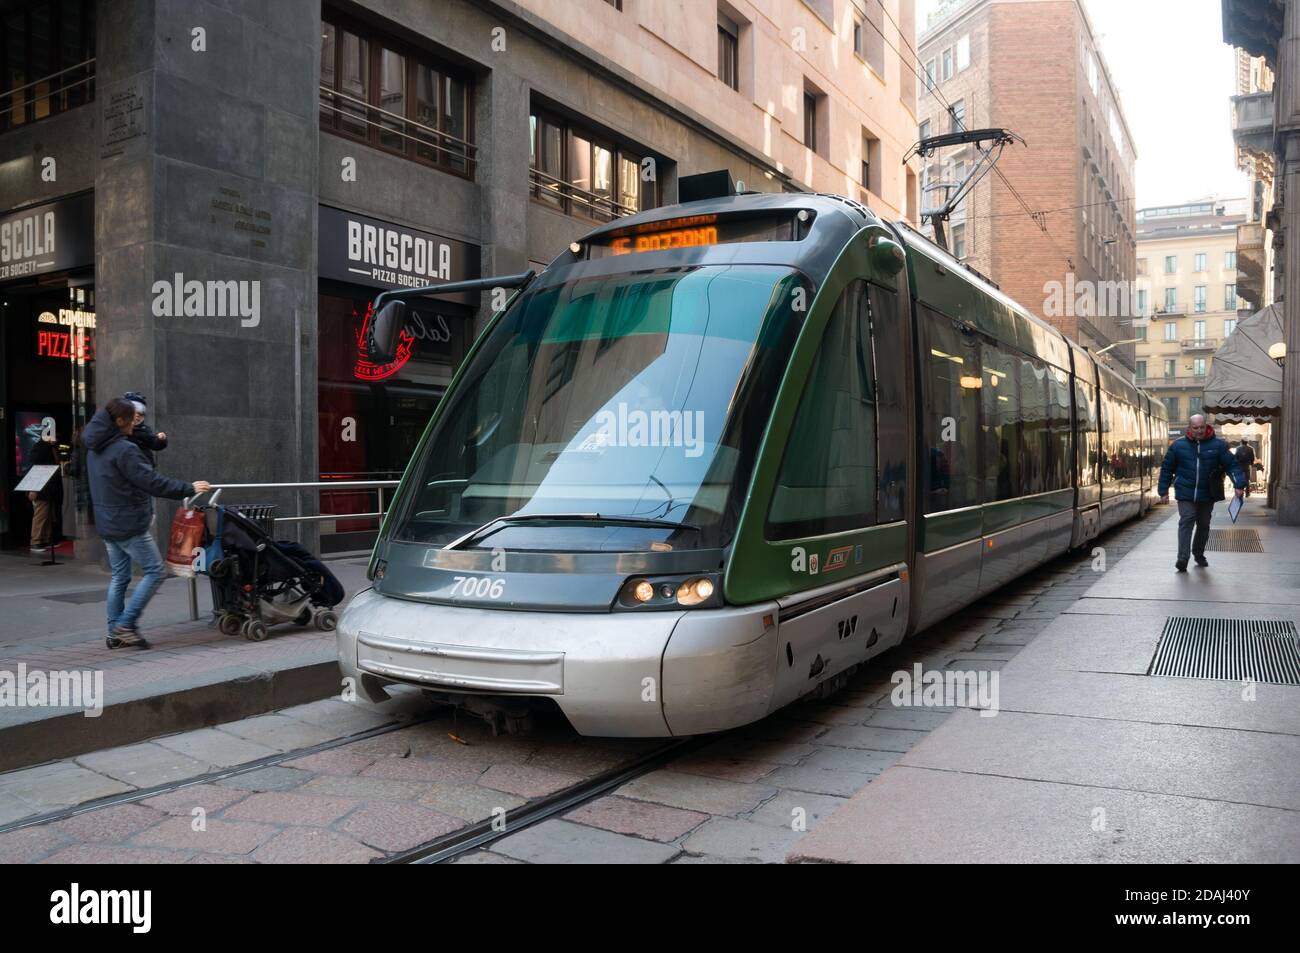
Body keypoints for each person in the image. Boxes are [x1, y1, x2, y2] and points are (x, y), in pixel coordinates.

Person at [85, 397, 210, 649]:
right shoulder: (124, 449)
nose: (136, 422)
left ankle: (114, 632)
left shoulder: (95, 447)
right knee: (155, 571)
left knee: (120, 577)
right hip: (128, 523)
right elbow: (151, 481)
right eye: (132, 418)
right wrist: (188, 488)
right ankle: (126, 625)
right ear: (120, 421)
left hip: (107, 522)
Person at [1158, 414, 1245, 572]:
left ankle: (1198, 553)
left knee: (1203, 524)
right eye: (1195, 428)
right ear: (1189, 428)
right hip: (1185, 491)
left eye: (1202, 427)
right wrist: (1163, 490)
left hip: (1207, 492)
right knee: (1187, 519)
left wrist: (1239, 484)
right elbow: (1167, 468)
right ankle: (1183, 557)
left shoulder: (1218, 445)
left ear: (1206, 426)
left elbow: (1232, 465)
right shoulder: (1178, 446)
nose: (1199, 431)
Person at [27, 432, 62, 553]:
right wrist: (33, 488)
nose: (56, 439)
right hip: (42, 487)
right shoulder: (41, 448)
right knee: (41, 514)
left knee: (47, 515)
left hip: (48, 486)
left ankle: (45, 539)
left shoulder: (48, 447)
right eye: (55, 436)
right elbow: (33, 468)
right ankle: (36, 541)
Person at [123, 391, 168, 467]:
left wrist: (160, 440)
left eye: (140, 415)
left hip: (144, 465)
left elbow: (153, 443)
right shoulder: (119, 431)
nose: (137, 417)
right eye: (134, 414)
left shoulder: (144, 430)